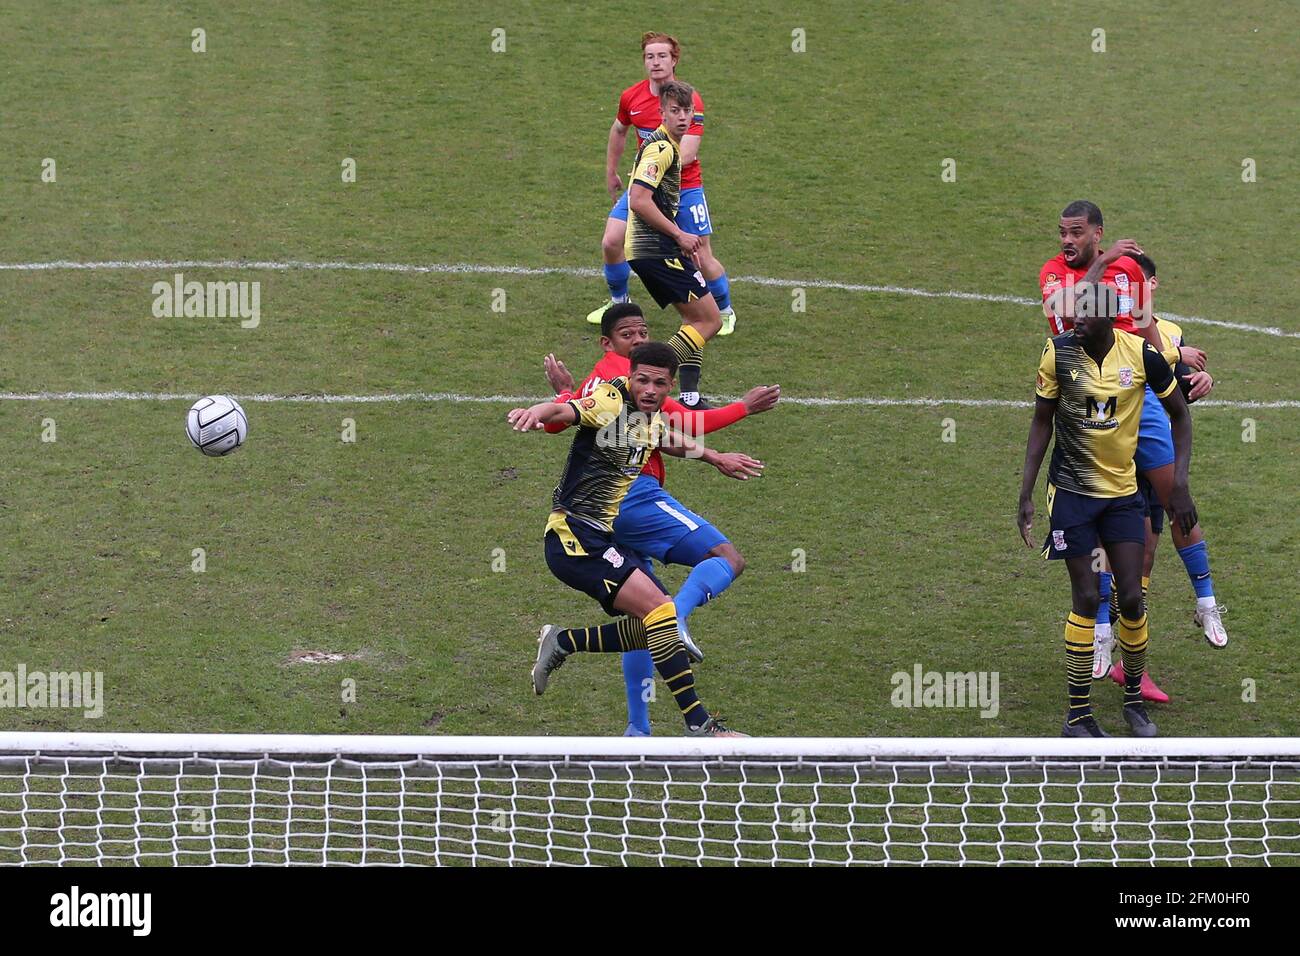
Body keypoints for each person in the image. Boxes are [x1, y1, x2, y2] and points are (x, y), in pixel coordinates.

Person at [542, 301, 780, 734]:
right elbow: (685, 415)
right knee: (725, 559)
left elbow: (664, 434)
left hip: (599, 527)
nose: (639, 339)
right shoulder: (618, 388)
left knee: (648, 618)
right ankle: (699, 720)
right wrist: (743, 407)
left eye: (643, 330)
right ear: (610, 344)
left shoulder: (628, 387)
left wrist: (712, 458)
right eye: (629, 334)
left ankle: (636, 724)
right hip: (620, 509)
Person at [1018, 281, 1197, 738]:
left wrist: (1177, 484)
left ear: (1107, 316)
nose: (1075, 319)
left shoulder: (1141, 355)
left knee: (1132, 598)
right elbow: (1041, 423)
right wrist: (1025, 493)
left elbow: (1180, 412)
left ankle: (1133, 701)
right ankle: (1078, 714)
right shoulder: (1057, 354)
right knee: (1086, 596)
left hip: (1121, 494)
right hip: (1072, 494)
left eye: (1084, 313)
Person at [586, 32, 737, 337]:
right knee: (611, 241)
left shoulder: (686, 99)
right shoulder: (632, 97)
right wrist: (611, 170)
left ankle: (724, 310)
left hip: (684, 189)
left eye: (662, 56)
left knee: (700, 254)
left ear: (674, 60)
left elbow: (689, 151)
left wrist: (652, 170)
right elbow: (618, 130)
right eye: (649, 57)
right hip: (645, 186)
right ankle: (619, 302)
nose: (655, 62)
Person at [619, 80, 725, 409]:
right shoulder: (662, 148)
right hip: (653, 249)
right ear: (662, 112)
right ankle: (643, 380)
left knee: (694, 319)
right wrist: (678, 234)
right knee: (710, 320)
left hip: (657, 247)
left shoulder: (669, 145)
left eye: (687, 110)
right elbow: (638, 200)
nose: (682, 117)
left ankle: (688, 397)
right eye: (674, 110)